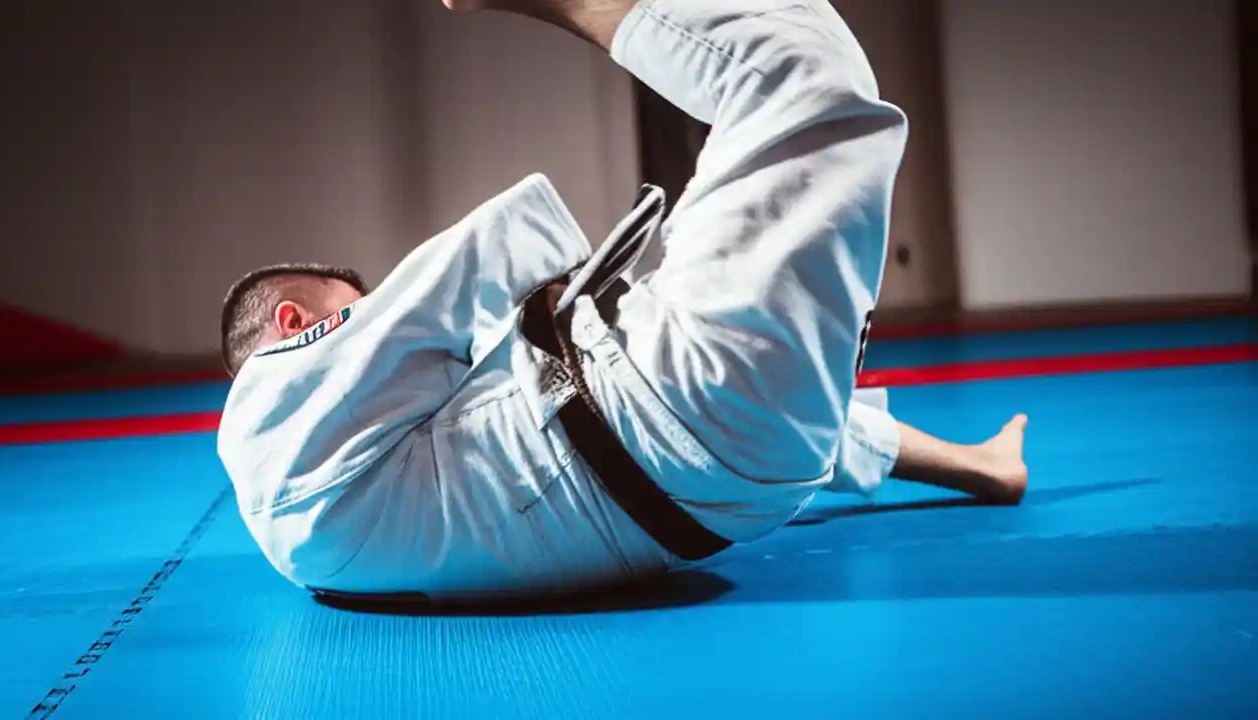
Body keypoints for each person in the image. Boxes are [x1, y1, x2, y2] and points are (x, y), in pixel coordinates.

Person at [217, 0, 1028, 600]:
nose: (376, 315)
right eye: (351, 303)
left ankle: (977, 465)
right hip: (673, 418)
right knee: (798, 75)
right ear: (296, 323)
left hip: (726, 479)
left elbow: (783, 417)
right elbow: (442, 283)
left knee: (802, 51)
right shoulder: (269, 417)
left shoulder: (351, 508)